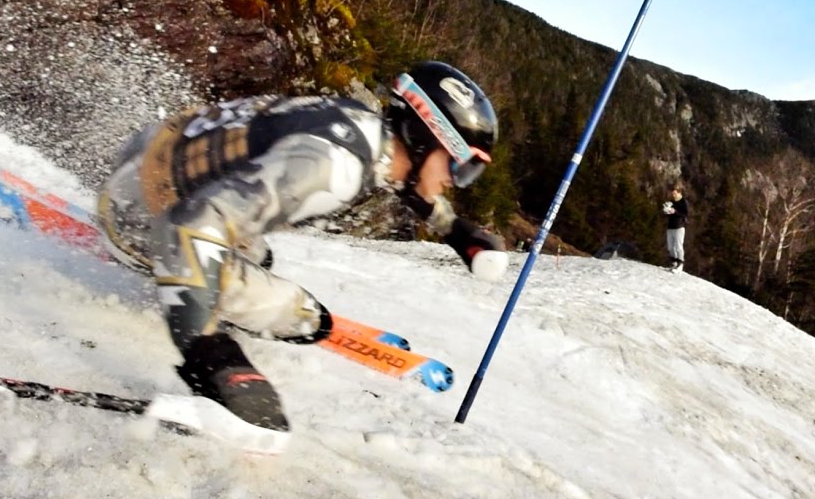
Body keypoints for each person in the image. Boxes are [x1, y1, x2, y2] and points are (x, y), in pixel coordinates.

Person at [96, 61, 507, 447]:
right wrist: (215, 361)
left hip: (148, 161)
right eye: (461, 167)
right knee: (292, 309)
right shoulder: (332, 167)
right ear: (422, 139)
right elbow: (184, 225)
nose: (458, 182)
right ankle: (238, 306)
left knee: (259, 257)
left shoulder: (361, 131)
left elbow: (404, 183)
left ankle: (214, 287)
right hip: (138, 217)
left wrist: (456, 231)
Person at [663, 185, 688, 273]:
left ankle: (680, 264)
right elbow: (669, 212)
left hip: (679, 227)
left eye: (675, 193)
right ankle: (673, 263)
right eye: (672, 193)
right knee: (670, 246)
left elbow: (685, 214)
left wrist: (675, 212)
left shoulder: (683, 202)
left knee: (678, 246)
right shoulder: (671, 202)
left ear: (679, 193)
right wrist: (667, 211)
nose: (673, 195)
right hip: (670, 226)